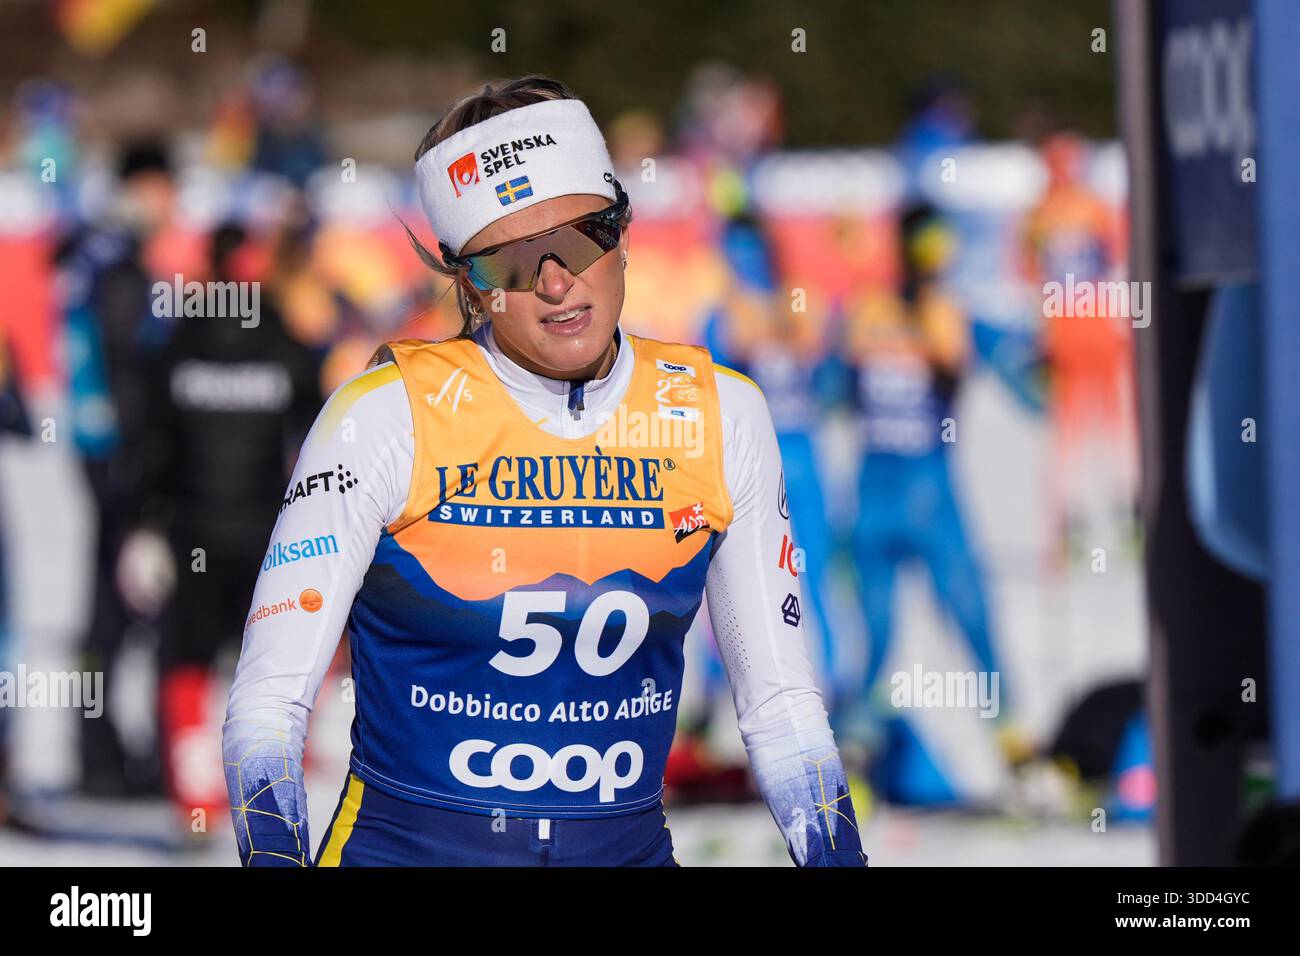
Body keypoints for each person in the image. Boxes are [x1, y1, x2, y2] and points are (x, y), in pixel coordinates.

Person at [222, 75, 865, 867]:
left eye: (581, 236)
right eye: (511, 261)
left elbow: (782, 709)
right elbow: (269, 706)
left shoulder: (720, 414)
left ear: (624, 231)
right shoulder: (384, 416)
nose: (557, 281)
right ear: (467, 282)